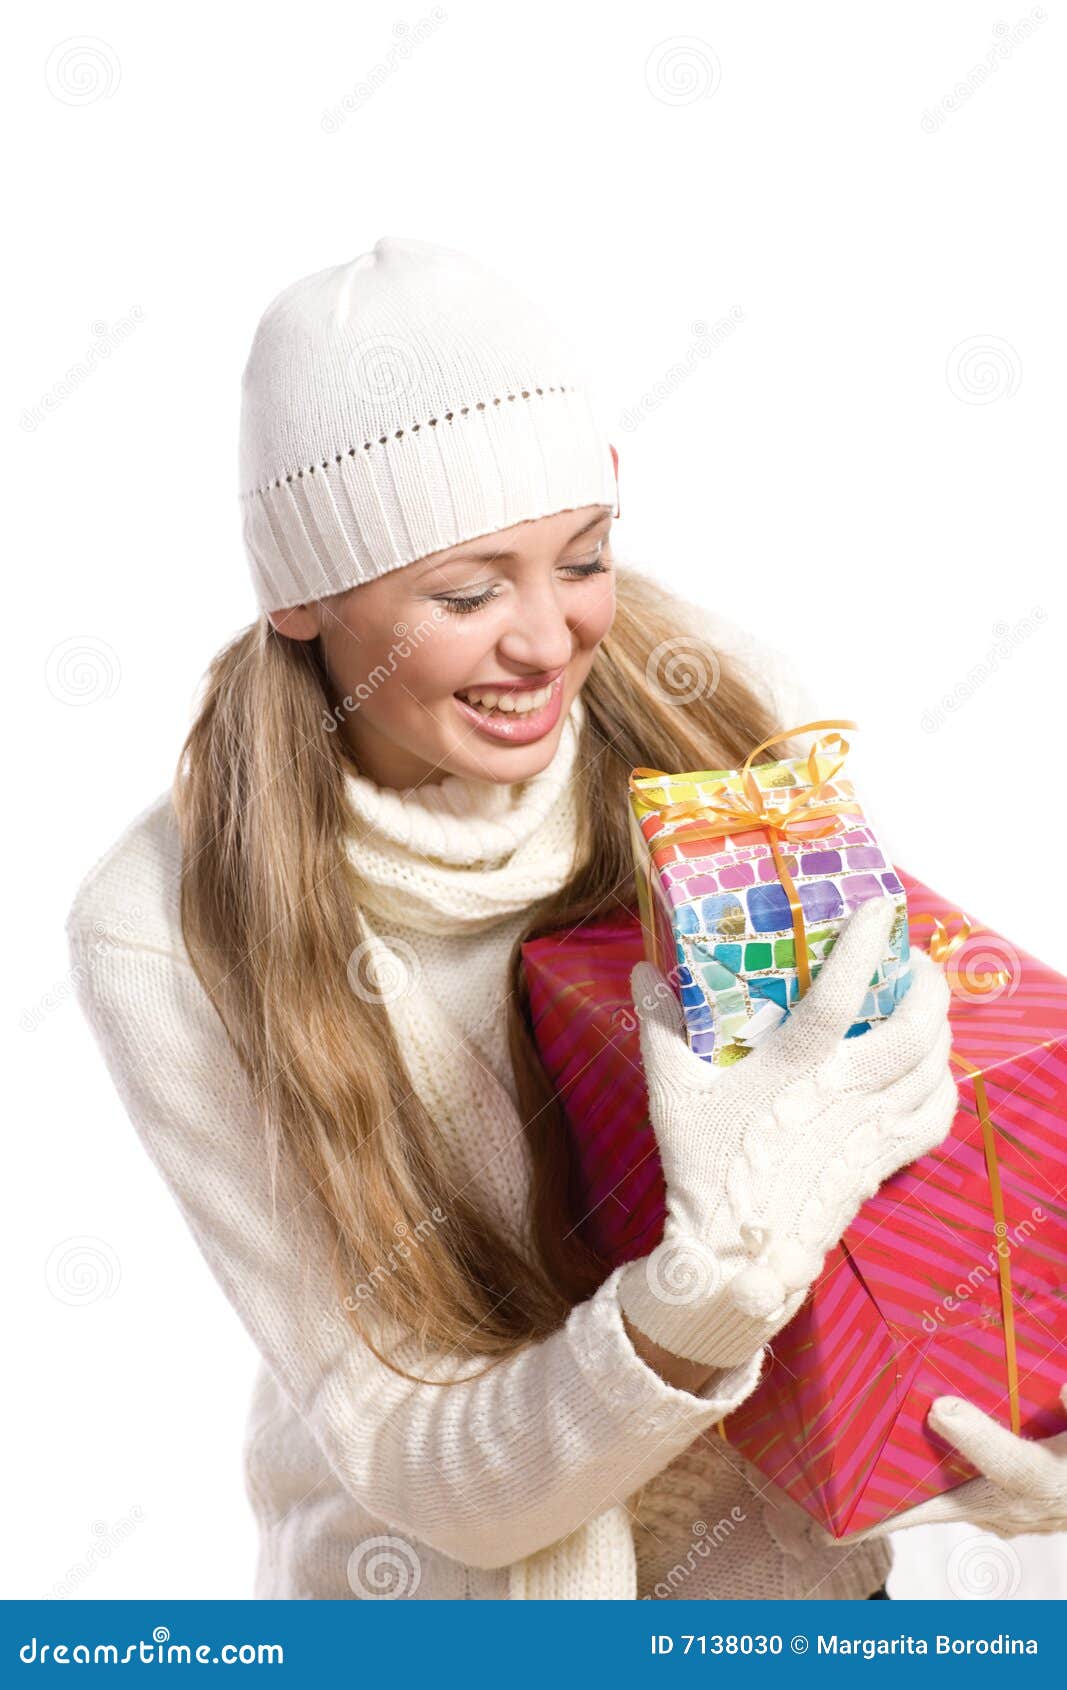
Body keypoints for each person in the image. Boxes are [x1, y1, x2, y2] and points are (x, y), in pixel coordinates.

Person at [65, 236, 1067, 1601]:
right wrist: (715, 1277)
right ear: (303, 597)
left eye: (583, 556)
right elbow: (424, 1463)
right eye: (468, 592)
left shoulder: (707, 709)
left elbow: (949, 1185)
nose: (549, 641)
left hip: (803, 1583)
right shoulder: (168, 925)